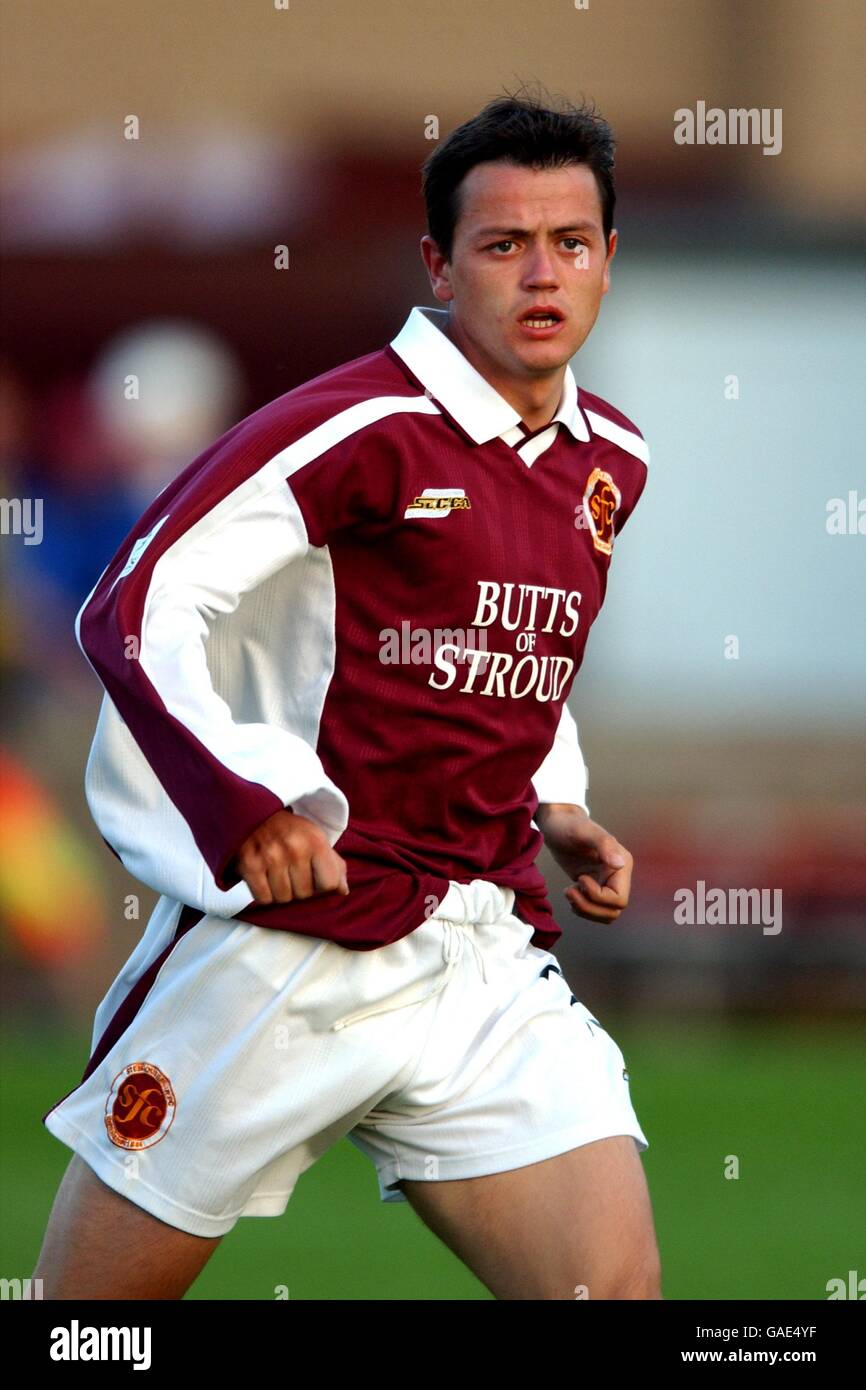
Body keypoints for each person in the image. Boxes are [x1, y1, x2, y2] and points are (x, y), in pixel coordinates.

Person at [34, 89, 662, 1301]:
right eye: (503, 244)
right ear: (438, 264)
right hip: (294, 942)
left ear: (607, 257)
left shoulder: (613, 457)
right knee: (86, 1327)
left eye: (570, 243)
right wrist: (247, 810)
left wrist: (557, 801)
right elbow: (133, 604)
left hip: (481, 947)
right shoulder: (358, 426)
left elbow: (493, 643)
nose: (542, 274)